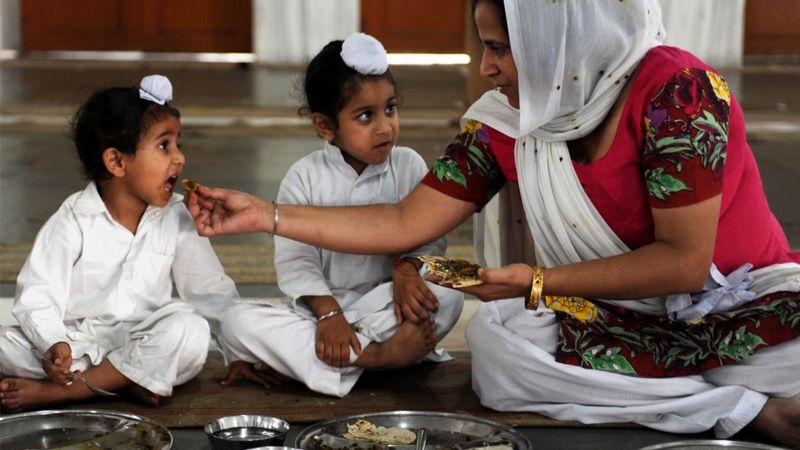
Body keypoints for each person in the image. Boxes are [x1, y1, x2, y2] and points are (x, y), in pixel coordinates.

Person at [184, 1, 800, 447]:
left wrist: (536, 281)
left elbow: (683, 264)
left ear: (560, 38)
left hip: (742, 312)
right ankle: (738, 409)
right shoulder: (507, 122)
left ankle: (705, 392)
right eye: (485, 47)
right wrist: (266, 215)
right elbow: (407, 219)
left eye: (501, 48)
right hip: (618, 322)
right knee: (499, 350)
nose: (486, 68)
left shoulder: (679, 95)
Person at [218, 33, 464, 398]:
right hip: (319, 314)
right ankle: (376, 359)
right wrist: (330, 316)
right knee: (235, 323)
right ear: (325, 126)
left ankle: (323, 361)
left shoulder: (409, 165)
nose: (384, 127)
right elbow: (296, 262)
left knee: (450, 293)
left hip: (383, 306)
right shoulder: (304, 177)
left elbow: (430, 236)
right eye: (366, 116)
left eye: (390, 109)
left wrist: (408, 268)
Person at [0, 75, 240, 412]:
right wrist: (53, 343)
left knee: (190, 331)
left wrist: (241, 352)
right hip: (80, 345)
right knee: (5, 345)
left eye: (178, 144)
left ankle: (72, 392)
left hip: (146, 337)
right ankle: (127, 381)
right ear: (116, 162)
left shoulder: (177, 214)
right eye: (164, 145)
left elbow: (209, 290)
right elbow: (37, 296)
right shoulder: (72, 220)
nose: (180, 159)